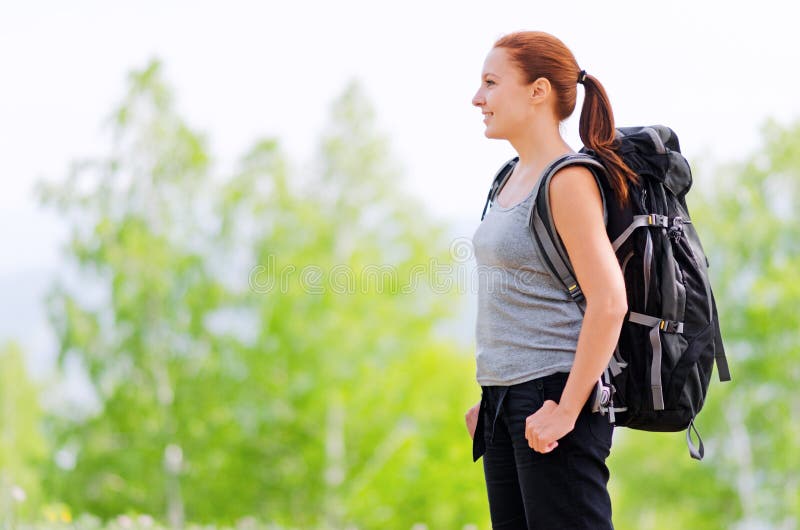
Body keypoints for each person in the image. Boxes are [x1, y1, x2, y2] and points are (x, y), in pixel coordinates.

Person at [464, 30, 636, 529]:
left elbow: (609, 301)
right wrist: (492, 394)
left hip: (554, 397)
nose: (478, 98)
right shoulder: (509, 176)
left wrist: (565, 409)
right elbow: (524, 293)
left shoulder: (568, 179)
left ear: (538, 91)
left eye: (491, 83)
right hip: (507, 401)